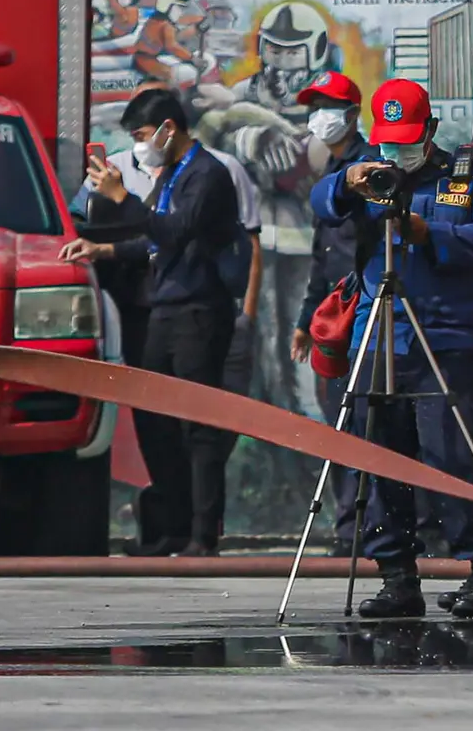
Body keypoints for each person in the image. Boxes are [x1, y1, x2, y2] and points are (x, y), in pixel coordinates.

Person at [308, 78, 473, 618]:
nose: (397, 151)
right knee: (377, 459)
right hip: (378, 336)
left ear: (429, 131)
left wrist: (430, 234)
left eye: (407, 139)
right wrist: (348, 180)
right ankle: (396, 576)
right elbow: (321, 204)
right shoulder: (368, 175)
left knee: (456, 458)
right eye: (388, 140)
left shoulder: (469, 177)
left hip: (446, 339)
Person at [63, 88, 245, 555]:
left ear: (170, 127)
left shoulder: (208, 175)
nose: (141, 145)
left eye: (143, 135)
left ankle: (204, 535)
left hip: (200, 310)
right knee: (154, 418)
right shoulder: (171, 176)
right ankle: (171, 527)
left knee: (198, 424)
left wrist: (122, 196)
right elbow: (156, 245)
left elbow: (172, 231)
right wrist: (104, 250)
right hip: (164, 306)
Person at [285, 71, 370, 545]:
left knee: (363, 423)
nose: (320, 116)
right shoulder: (330, 177)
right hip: (333, 319)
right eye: (313, 106)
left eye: (329, 106)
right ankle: (348, 527)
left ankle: (365, 527)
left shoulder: (370, 169)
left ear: (353, 115)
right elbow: (323, 257)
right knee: (338, 420)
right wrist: (304, 322)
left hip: (368, 315)